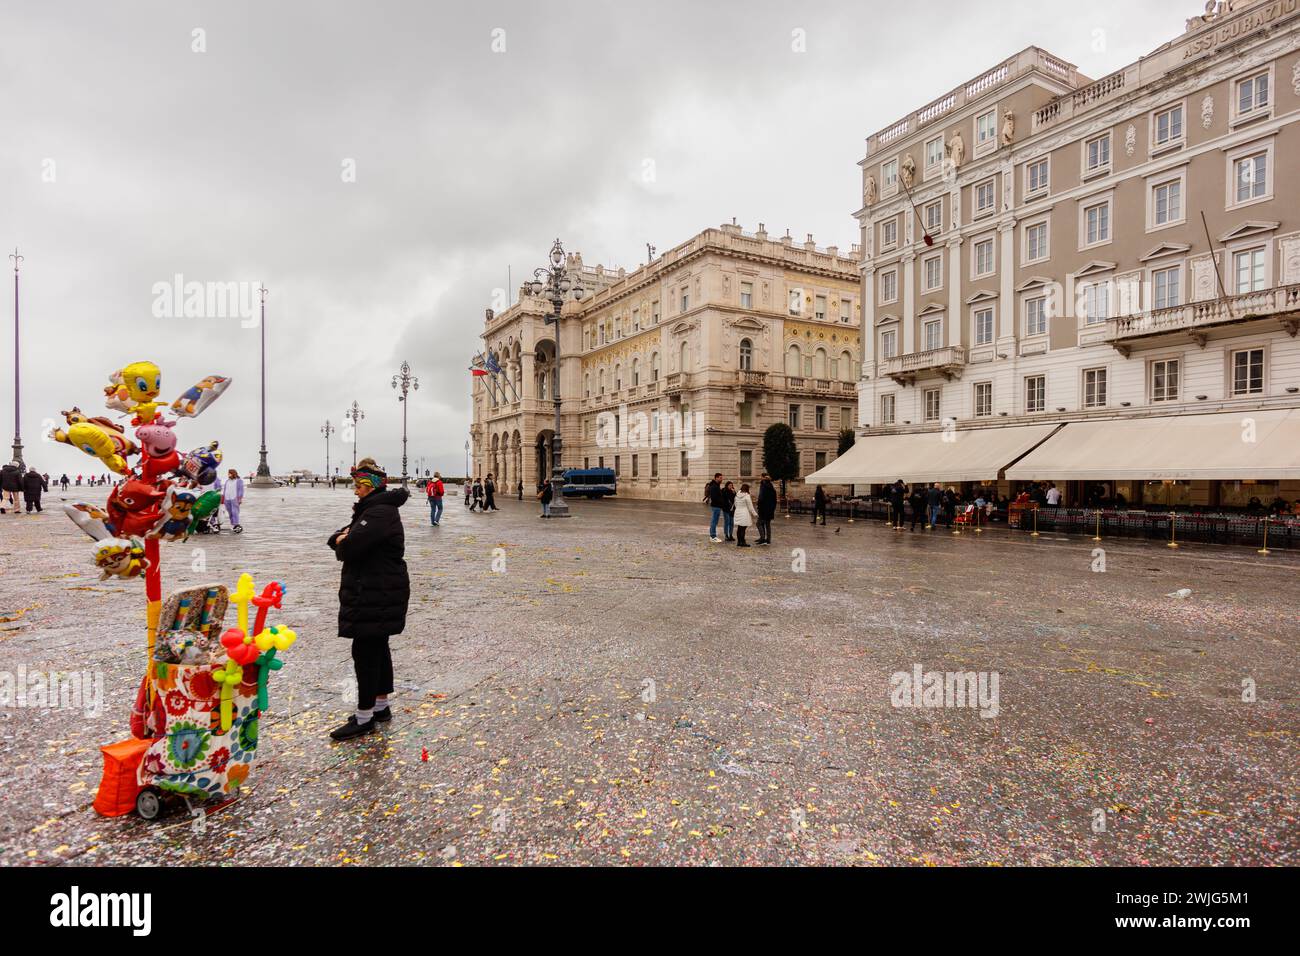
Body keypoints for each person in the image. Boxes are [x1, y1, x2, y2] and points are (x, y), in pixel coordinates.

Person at [326, 459, 410, 741]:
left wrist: (343, 540)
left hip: (375, 590)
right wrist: (340, 538)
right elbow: (338, 537)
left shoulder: (377, 514)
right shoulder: (375, 510)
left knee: (365, 652)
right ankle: (381, 706)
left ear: (369, 486)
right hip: (378, 589)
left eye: (358, 486)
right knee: (377, 646)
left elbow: (349, 546)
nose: (354, 491)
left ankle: (365, 717)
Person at [704, 473, 727, 543]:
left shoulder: (716, 485)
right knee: (714, 521)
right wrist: (722, 502)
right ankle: (713, 536)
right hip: (716, 506)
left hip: (717, 506)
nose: (721, 479)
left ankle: (713, 536)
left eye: (721, 478)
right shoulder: (714, 486)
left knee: (714, 521)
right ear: (716, 478)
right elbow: (714, 497)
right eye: (720, 478)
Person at [734, 483, 758, 547]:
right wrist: (755, 514)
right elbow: (750, 506)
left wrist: (738, 508)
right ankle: (742, 542)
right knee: (743, 528)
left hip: (738, 511)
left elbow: (735, 504)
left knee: (739, 528)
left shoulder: (737, 495)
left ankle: (739, 542)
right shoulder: (747, 496)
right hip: (744, 512)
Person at [756, 473, 777, 545]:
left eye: (761, 477)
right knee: (767, 524)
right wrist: (773, 508)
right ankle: (768, 539)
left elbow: (761, 498)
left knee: (758, 523)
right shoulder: (771, 487)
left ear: (763, 478)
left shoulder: (763, 486)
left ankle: (762, 538)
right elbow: (775, 500)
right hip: (770, 509)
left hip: (763, 509)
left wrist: (758, 505)